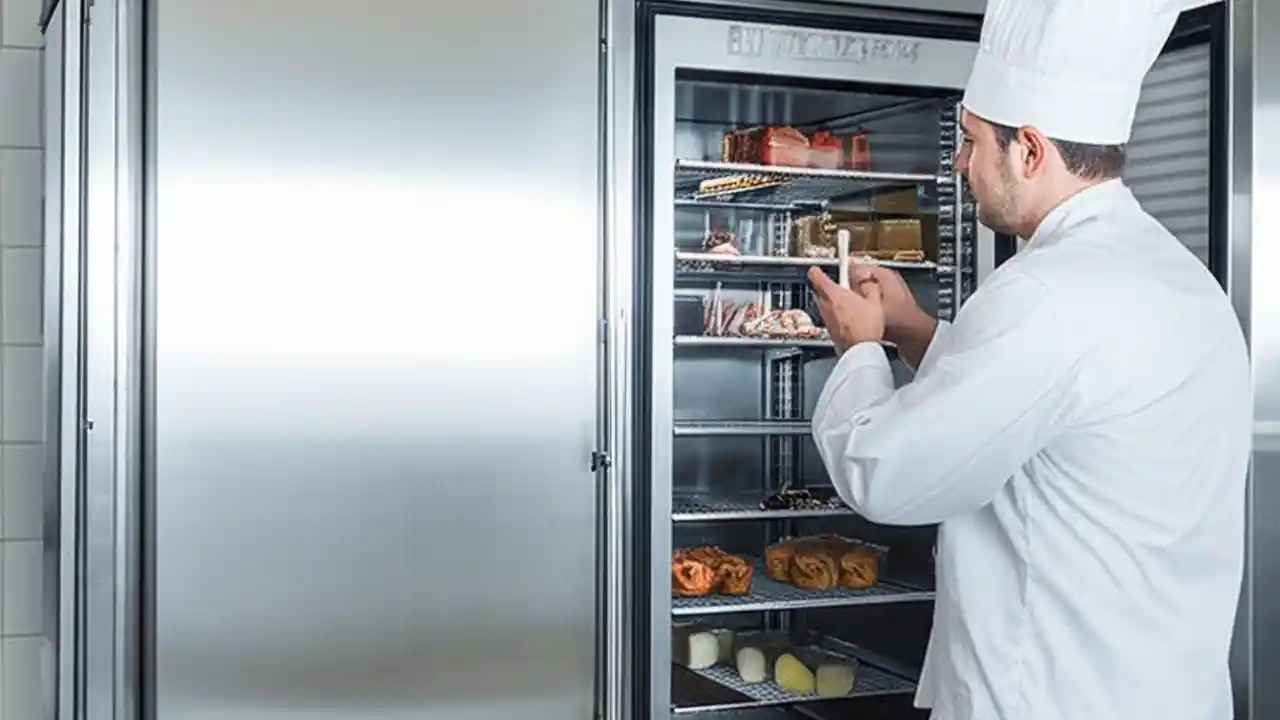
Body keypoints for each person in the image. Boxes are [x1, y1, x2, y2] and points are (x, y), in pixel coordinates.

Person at [805, 1, 1249, 719]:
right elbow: (1043, 406)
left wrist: (858, 349)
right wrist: (914, 330)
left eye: (972, 141)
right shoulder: (1179, 278)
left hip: (1050, 694)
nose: (960, 163)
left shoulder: (1045, 292)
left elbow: (883, 473)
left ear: (1031, 152)